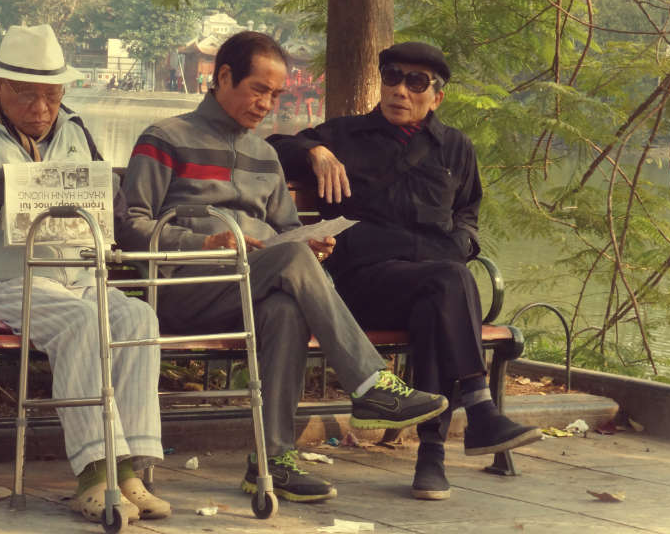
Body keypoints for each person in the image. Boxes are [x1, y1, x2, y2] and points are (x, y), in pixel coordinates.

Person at [119, 31, 448, 504]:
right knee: (289, 264)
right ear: (223, 77)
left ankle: (270, 462)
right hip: (183, 288)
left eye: (276, 95)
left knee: (286, 308)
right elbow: (130, 227)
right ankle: (372, 384)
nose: (267, 105)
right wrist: (203, 240)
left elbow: (288, 230)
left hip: (250, 288)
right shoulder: (165, 138)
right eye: (259, 90)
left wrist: (312, 245)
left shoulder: (264, 155)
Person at [0, 24, 171, 523]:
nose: (41, 110)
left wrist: (108, 197)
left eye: (51, 96)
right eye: (27, 96)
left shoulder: (74, 129)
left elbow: (114, 215)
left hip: (78, 278)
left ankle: (129, 471)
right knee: (78, 324)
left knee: (137, 319)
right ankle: (95, 474)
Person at [269, 42, 542, 501]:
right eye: (392, 77)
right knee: (449, 285)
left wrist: (463, 244)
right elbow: (274, 147)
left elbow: (468, 211)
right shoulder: (346, 135)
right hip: (359, 285)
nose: (400, 90)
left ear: (437, 96)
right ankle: (477, 412)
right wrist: (315, 150)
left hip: (429, 283)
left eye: (416, 83)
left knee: (439, 296)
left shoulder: (455, 147)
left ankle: (432, 456)